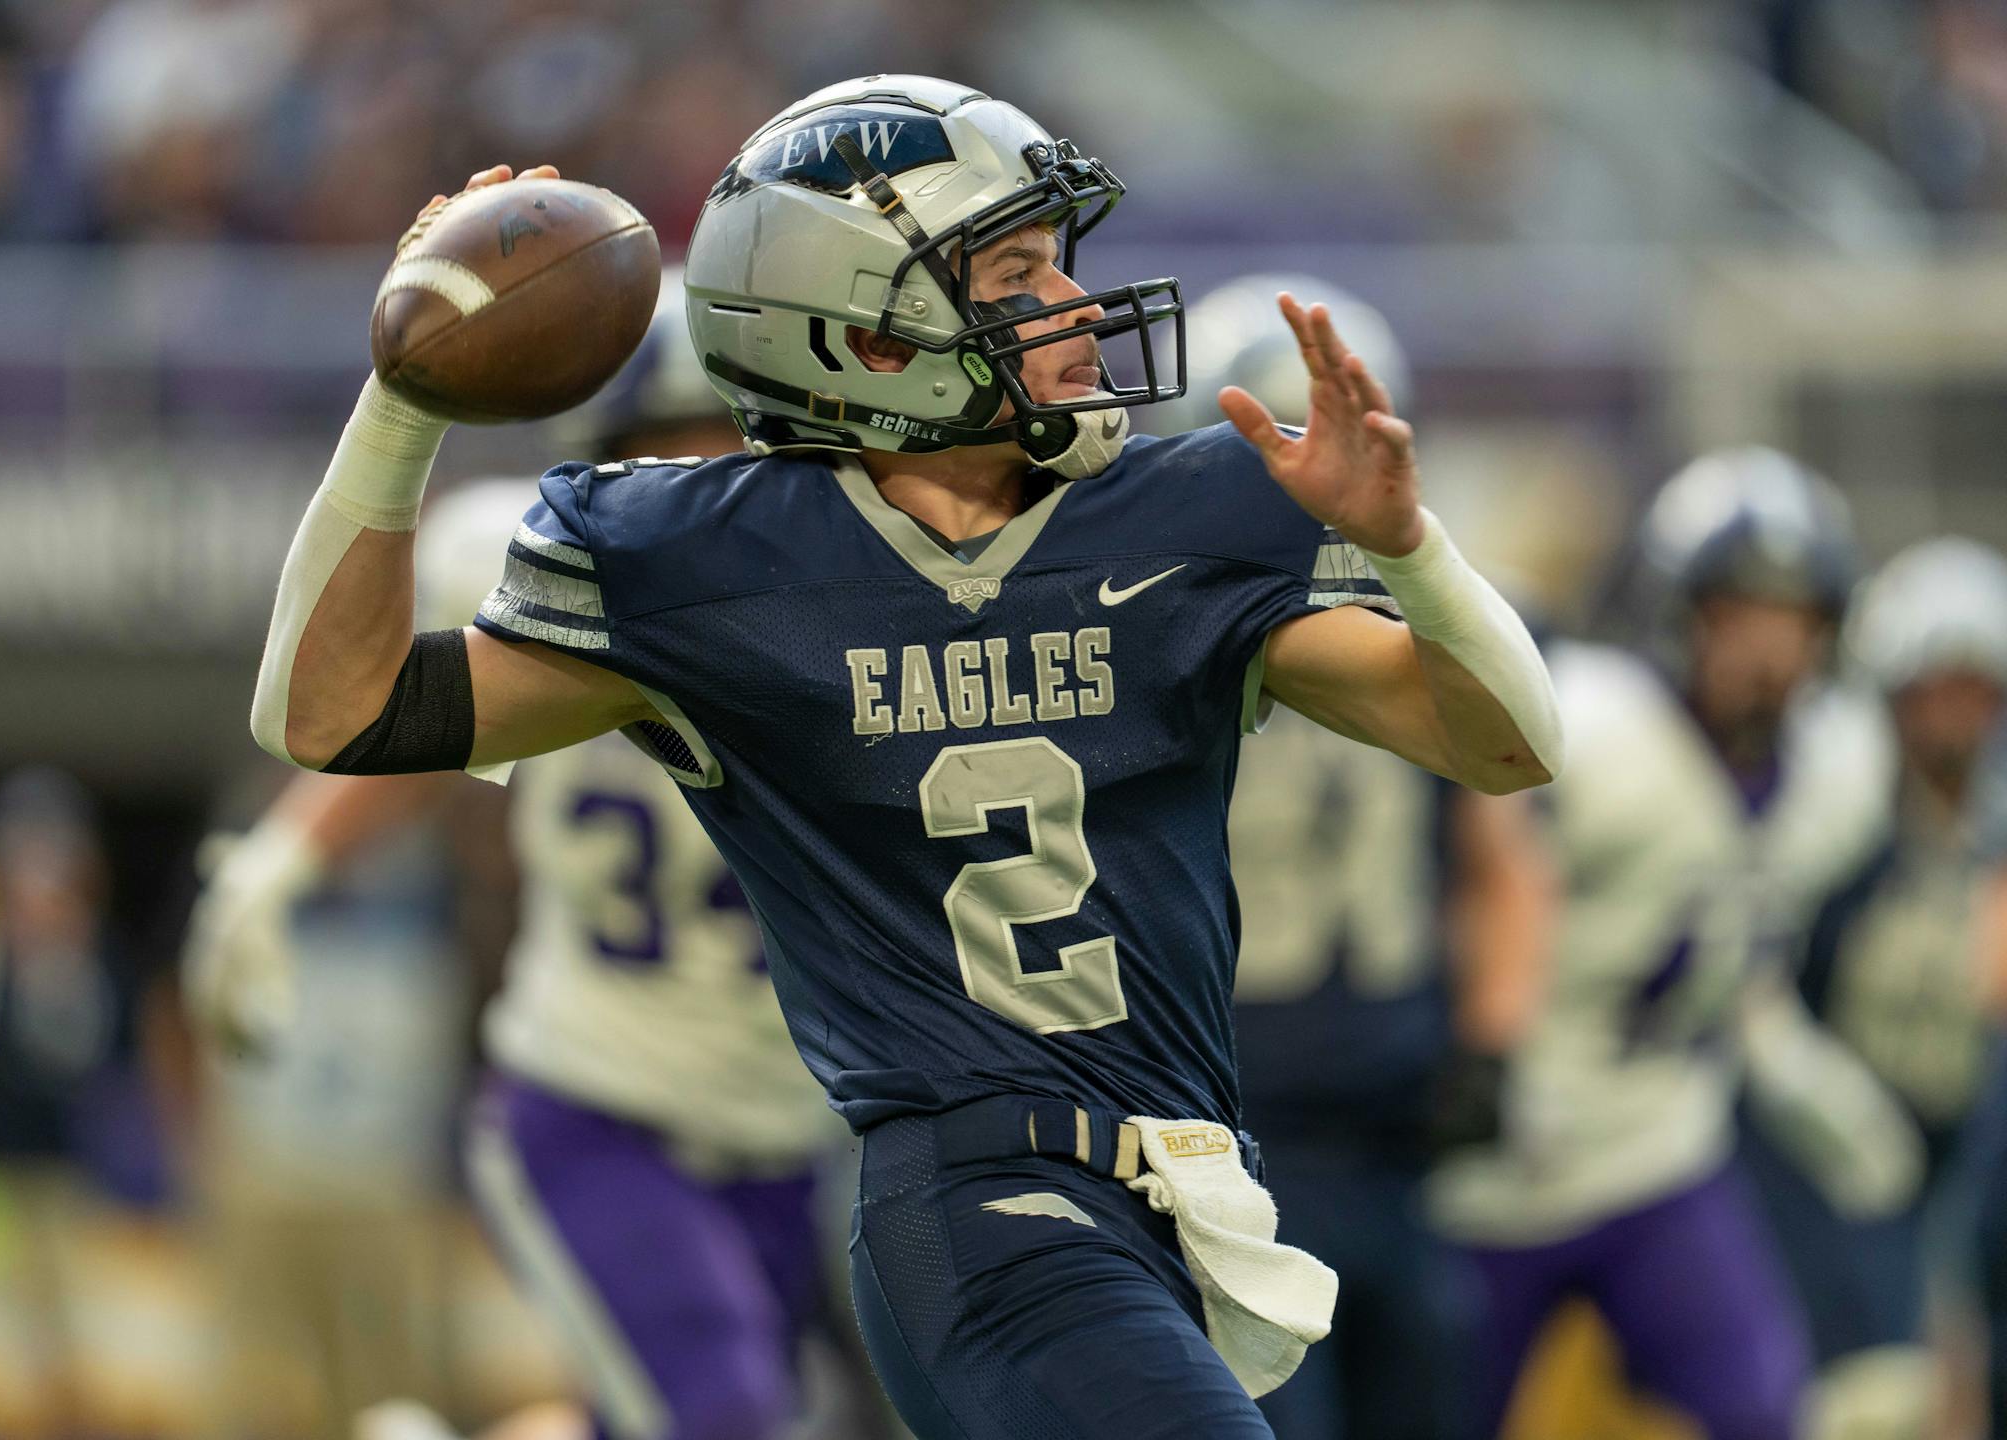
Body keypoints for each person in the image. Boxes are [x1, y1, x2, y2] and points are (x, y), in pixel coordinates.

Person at [248, 74, 1561, 1438]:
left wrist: (1413, 550)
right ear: (872, 339)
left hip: (1174, 1194)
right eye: (1017, 272)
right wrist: (402, 404)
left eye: (1060, 262)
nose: (1074, 304)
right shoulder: (714, 563)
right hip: (979, 1207)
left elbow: (1509, 745)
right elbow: (333, 714)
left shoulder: (1177, 518)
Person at [190, 281, 860, 1440]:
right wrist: (284, 860)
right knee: (724, 1414)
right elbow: (413, 730)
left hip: (791, 1134)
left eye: (728, 454)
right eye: (664, 456)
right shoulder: (533, 569)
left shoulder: (856, 600)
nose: (697, 488)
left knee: (685, 1411)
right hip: (596, 1102)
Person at [1429, 448, 1922, 1440]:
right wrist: (1470, 1056)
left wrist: (1796, 1074)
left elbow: (1744, 953)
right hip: (1501, 1163)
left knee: (1760, 1410)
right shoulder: (1595, 729)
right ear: (1678, 612)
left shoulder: (1837, 772)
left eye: (1792, 619)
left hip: (1659, 1149)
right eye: (1739, 614)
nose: (1766, 651)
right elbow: (1469, 882)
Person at [1167, 274, 1557, 1440]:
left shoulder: (1430, 619)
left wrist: (1490, 1044)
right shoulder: (1157, 625)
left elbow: (1500, 855)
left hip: (1394, 1124)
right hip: (1229, 1134)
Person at [1738, 537, 2007, 1440]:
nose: (1956, 716)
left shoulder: (1992, 828)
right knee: (1865, 1379)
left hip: (1965, 1124)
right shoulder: (1839, 808)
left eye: (1976, 691)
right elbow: (1753, 977)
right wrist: (1818, 1096)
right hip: (1837, 1119)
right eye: (1936, 689)